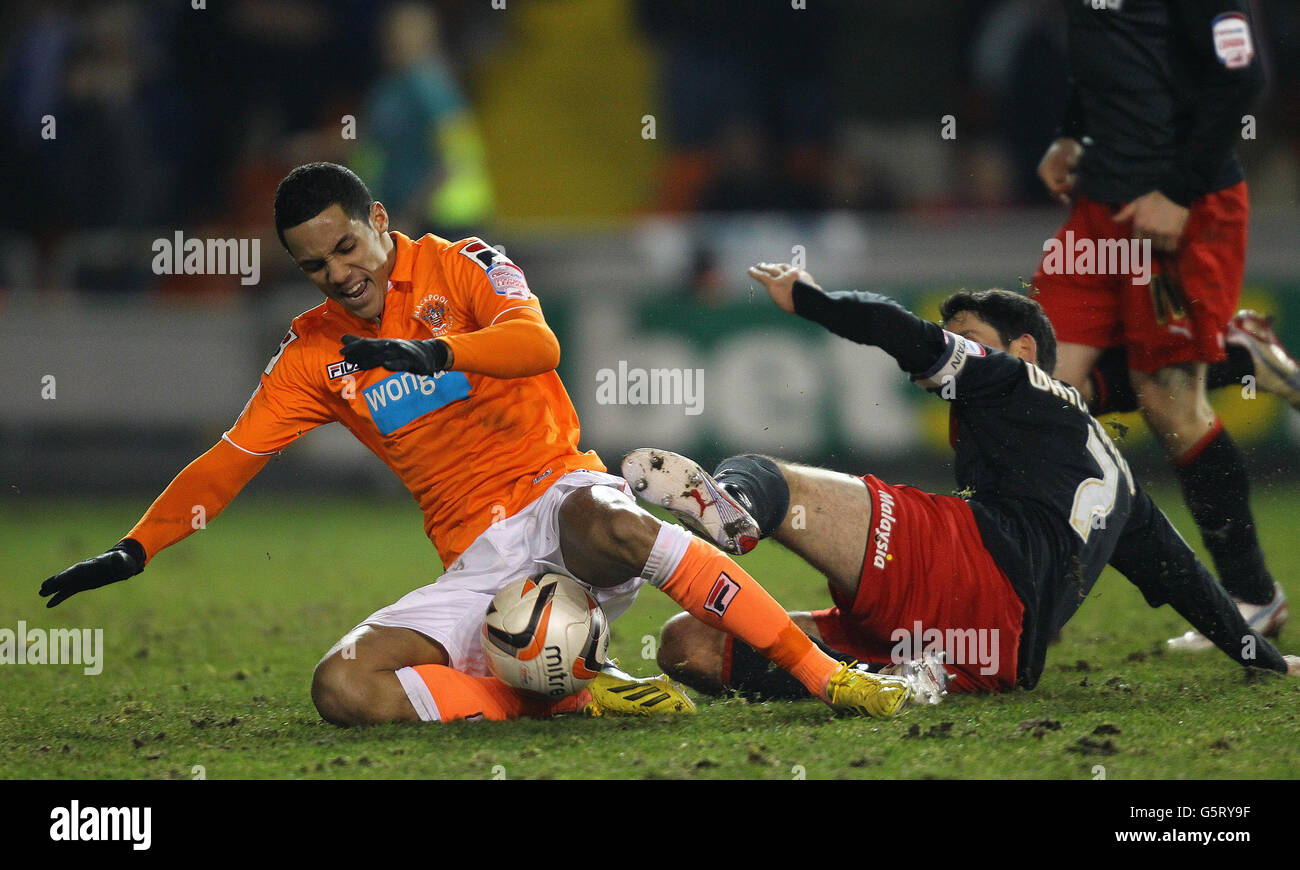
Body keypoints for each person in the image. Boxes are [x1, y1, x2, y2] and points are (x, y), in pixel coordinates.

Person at [38, 164, 910, 725]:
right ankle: (570, 696)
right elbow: (229, 462)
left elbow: (539, 347)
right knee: (342, 689)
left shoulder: (467, 264)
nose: (341, 273)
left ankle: (826, 674)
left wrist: (431, 349)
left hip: (565, 505)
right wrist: (133, 548)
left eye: (348, 246)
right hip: (477, 565)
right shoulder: (312, 357)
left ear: (378, 221)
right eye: (316, 266)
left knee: (606, 514)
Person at [630, 264, 1298, 699]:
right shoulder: (1119, 482)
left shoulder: (1017, 380)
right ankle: (893, 679)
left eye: (970, 336)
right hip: (999, 659)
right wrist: (1266, 661)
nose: (959, 348)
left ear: (1024, 350)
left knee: (772, 476)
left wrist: (808, 298)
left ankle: (736, 508)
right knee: (687, 645)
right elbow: (1187, 581)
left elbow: (905, 335)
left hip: (971, 565)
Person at [1032, 0, 1287, 650]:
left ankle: (1253, 596)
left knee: (1169, 401)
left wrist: (1176, 190)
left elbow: (1241, 78)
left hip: (1184, 207)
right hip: (1100, 205)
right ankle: (1236, 356)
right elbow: (1112, 57)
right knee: (1036, 391)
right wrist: (1071, 131)